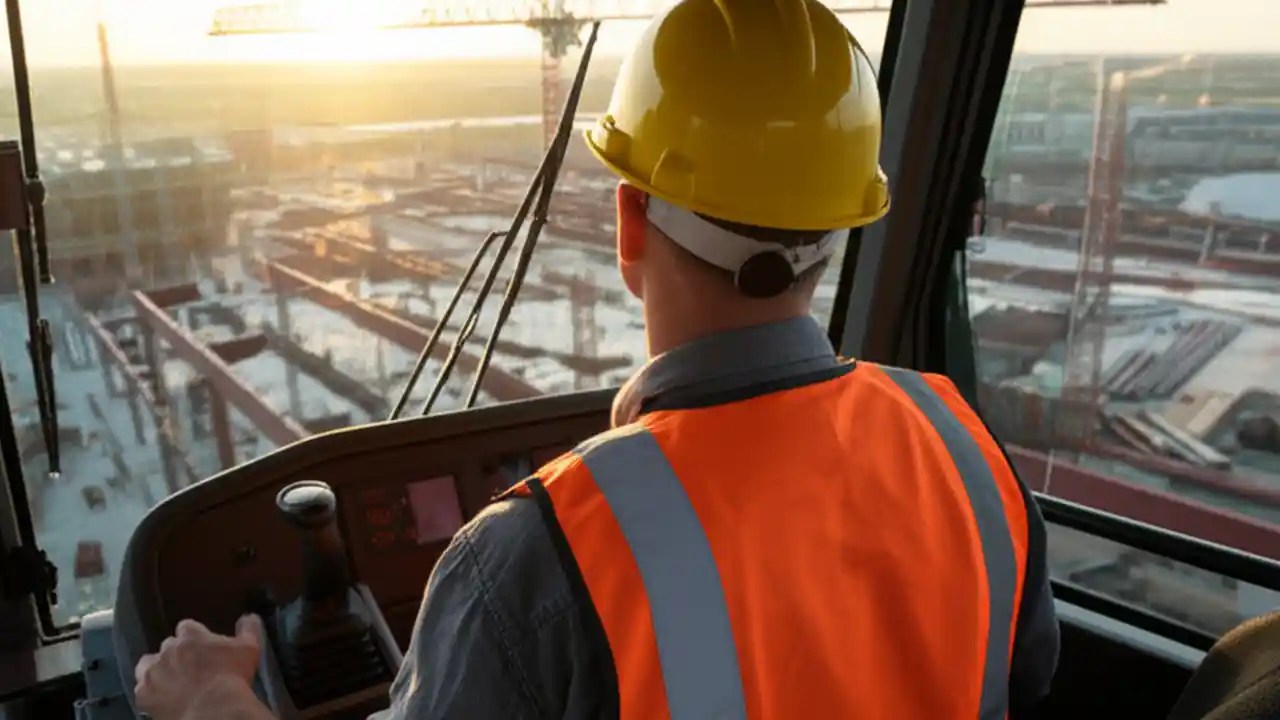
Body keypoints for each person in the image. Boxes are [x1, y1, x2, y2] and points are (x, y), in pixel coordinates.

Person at [134, 0, 1059, 717]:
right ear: (843, 225)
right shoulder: (964, 449)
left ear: (629, 220)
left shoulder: (535, 554)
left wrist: (212, 700)